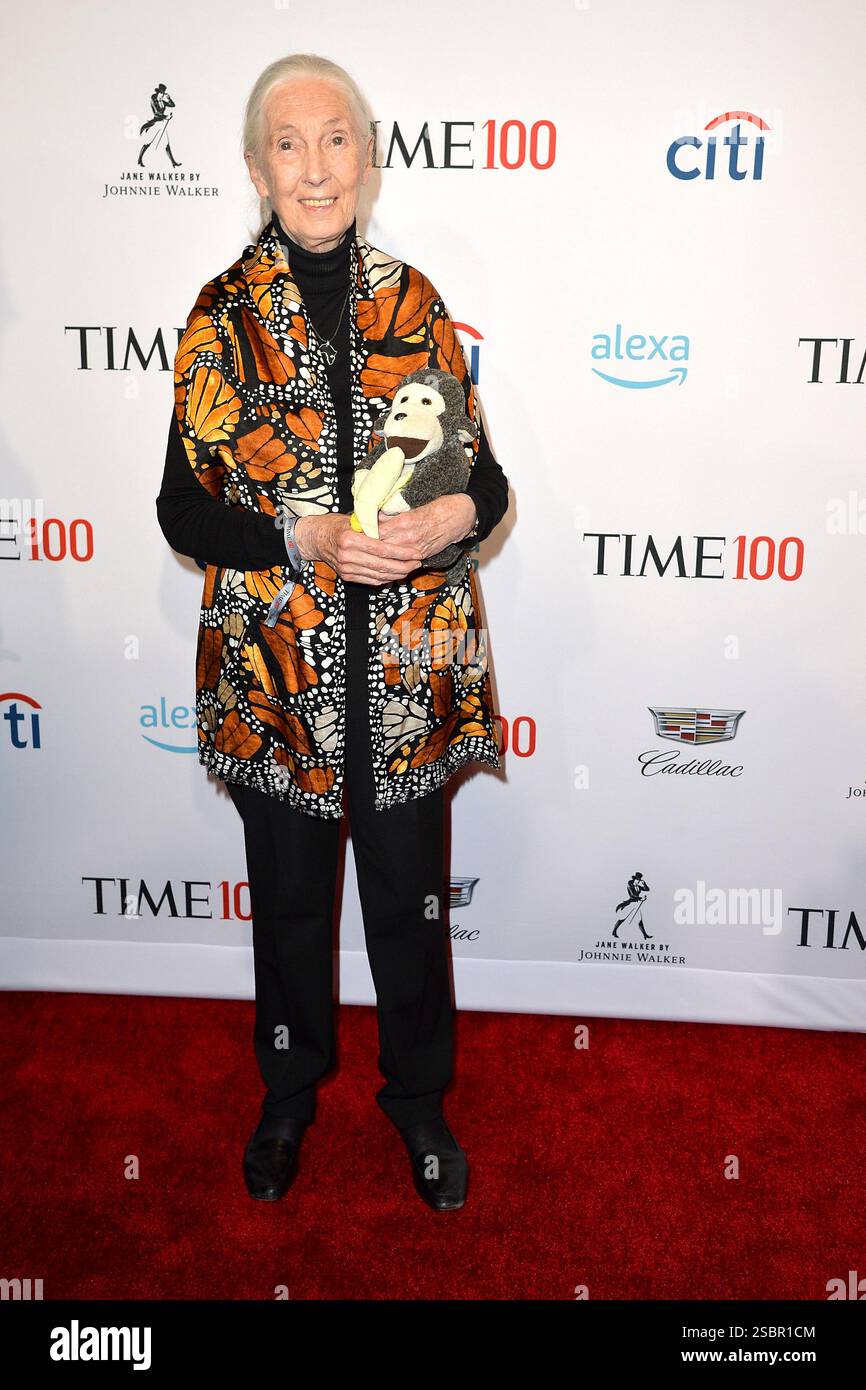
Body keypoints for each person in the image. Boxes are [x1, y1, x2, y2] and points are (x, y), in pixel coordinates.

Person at [156, 53, 508, 1212]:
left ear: (366, 155)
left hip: (406, 671)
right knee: (293, 906)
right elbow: (181, 508)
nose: (316, 167)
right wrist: (299, 538)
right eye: (290, 144)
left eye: (337, 138)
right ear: (258, 169)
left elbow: (483, 484)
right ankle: (289, 1092)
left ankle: (417, 1103)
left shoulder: (415, 304)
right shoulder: (217, 318)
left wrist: (458, 510)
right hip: (276, 674)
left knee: (411, 906)